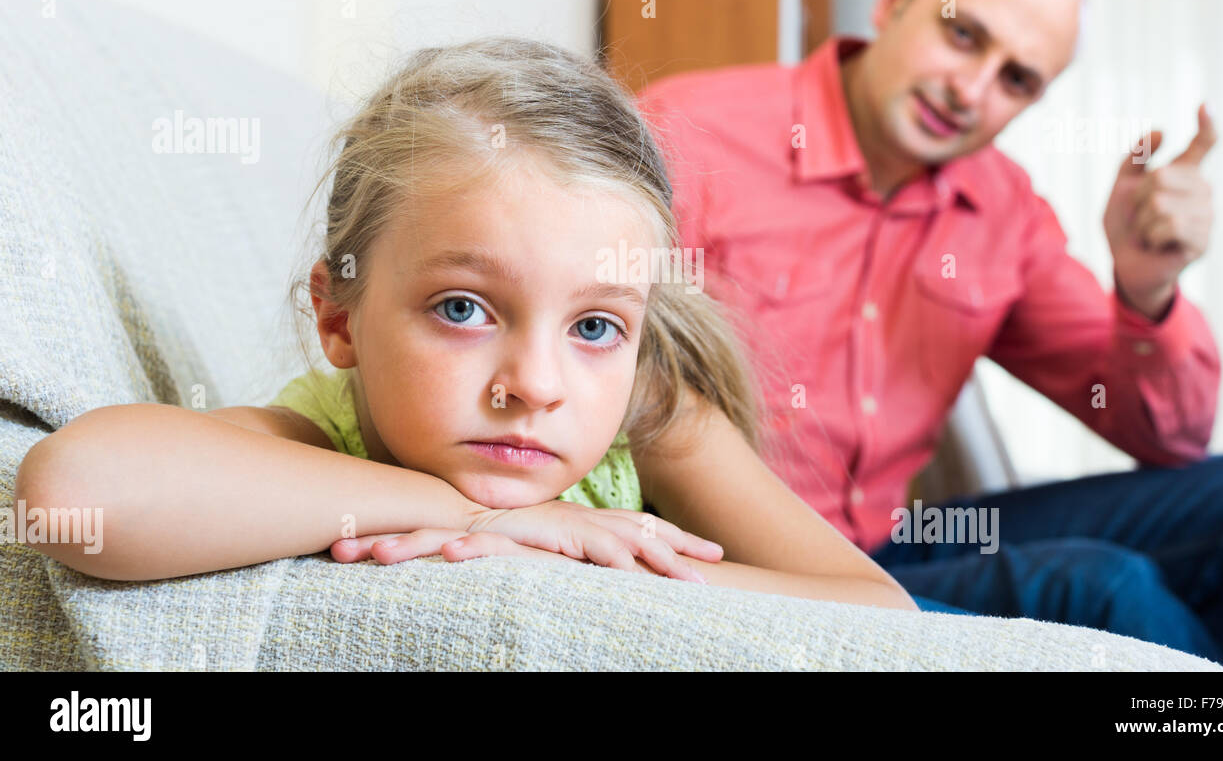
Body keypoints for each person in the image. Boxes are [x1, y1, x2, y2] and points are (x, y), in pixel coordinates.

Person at [15, 37, 918, 611]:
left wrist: (572, 566)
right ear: (338, 316)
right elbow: (72, 501)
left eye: (597, 326)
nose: (536, 382)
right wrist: (466, 517)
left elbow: (877, 615)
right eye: (462, 308)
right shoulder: (325, 436)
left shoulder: (646, 415)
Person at [636, 0, 1223, 671]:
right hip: (755, 556)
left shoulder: (1004, 210)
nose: (970, 90)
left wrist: (1147, 287)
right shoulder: (687, 132)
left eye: (1016, 79)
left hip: (899, 541)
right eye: (963, 35)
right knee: (1112, 589)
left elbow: (1168, 437)